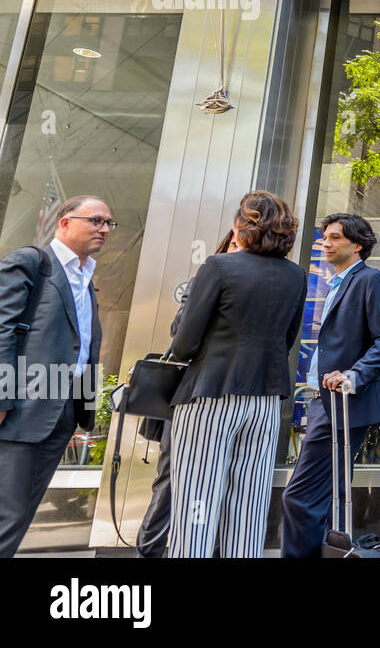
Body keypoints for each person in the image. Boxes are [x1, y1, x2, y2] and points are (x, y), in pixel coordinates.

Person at [167, 192, 306, 558]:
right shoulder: (295, 275)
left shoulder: (219, 266)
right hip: (265, 400)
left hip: (211, 395)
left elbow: (183, 344)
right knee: (249, 504)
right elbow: (288, 338)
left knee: (197, 499)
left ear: (242, 225)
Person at [280, 213, 380, 558]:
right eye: (324, 238)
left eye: (334, 238)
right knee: (326, 493)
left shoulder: (370, 280)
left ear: (357, 244)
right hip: (325, 401)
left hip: (346, 402)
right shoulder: (337, 284)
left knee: (299, 495)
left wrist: (354, 375)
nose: (325, 244)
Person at [0, 196, 111, 558]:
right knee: (8, 512)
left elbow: (84, 347)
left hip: (63, 413)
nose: (104, 229)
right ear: (64, 222)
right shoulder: (33, 263)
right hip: (20, 410)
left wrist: (83, 407)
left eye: (109, 223)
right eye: (95, 220)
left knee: (21, 513)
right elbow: (2, 332)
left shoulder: (86, 277)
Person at [135, 229, 236, 558]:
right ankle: (149, 550)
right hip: (191, 396)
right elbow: (180, 335)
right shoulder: (206, 279)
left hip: (234, 400)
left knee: (227, 483)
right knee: (170, 478)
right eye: (235, 244)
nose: (240, 251)